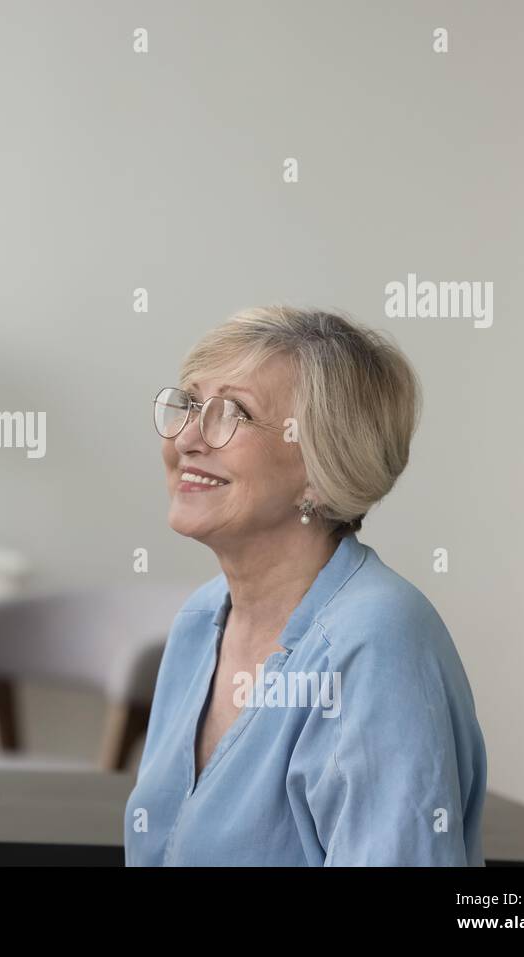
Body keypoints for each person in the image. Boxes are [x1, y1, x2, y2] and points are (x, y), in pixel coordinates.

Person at [125, 306, 486, 866]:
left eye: (234, 413)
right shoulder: (201, 619)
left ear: (324, 465)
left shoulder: (377, 641)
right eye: (191, 403)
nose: (189, 436)